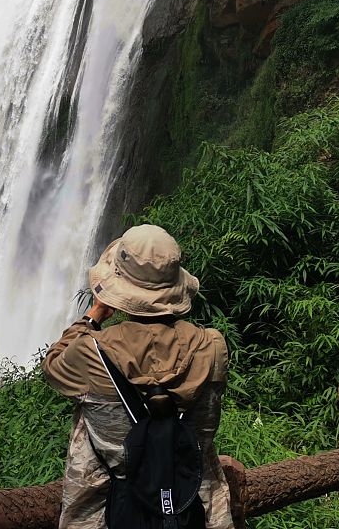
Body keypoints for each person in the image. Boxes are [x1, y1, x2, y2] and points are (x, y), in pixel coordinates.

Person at [41, 224, 231, 529]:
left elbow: (52, 365)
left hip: (104, 510)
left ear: (121, 286)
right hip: (196, 506)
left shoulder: (92, 352)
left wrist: (94, 315)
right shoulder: (212, 347)